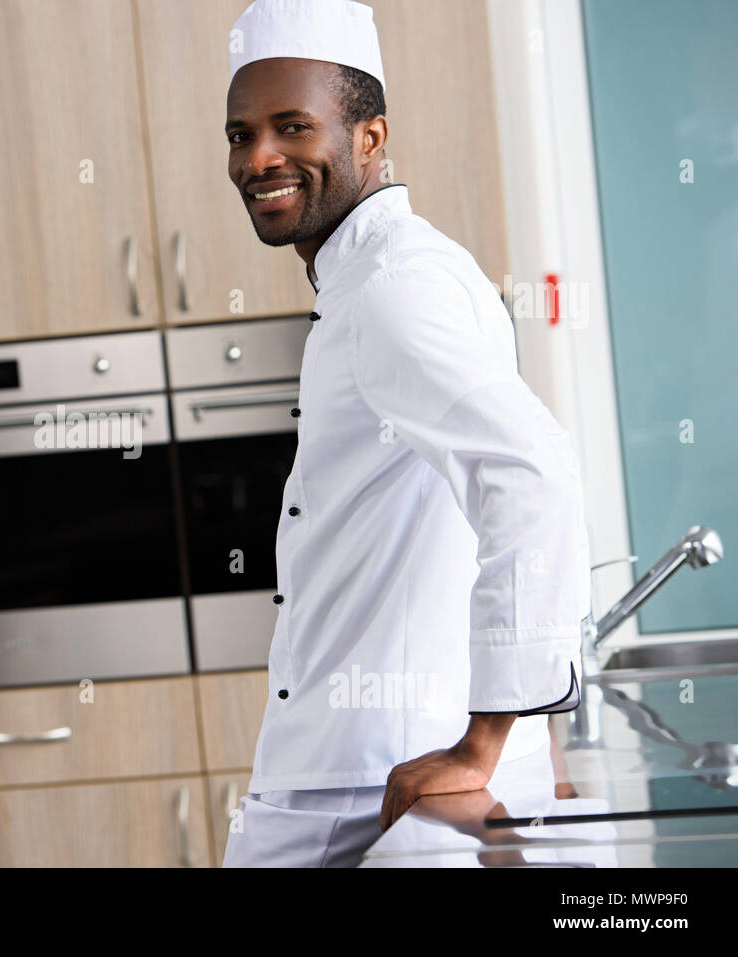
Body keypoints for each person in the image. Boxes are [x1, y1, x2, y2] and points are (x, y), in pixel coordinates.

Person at [220, 0, 591, 868]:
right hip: (349, 765)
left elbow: (532, 477)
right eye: (241, 134)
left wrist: (486, 743)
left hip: (362, 779)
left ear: (370, 137)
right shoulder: (382, 277)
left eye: (292, 126)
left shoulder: (396, 288)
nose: (258, 158)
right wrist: (528, 740)